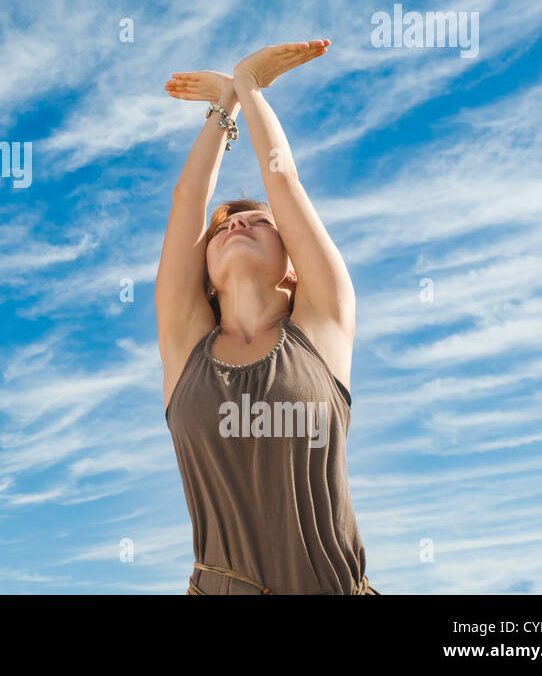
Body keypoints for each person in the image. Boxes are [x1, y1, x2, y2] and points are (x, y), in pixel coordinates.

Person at [156, 39, 378, 595]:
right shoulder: (186, 346)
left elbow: (282, 178)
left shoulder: (322, 327)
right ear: (204, 274)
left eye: (256, 222)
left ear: (294, 266)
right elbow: (188, 201)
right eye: (223, 227)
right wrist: (220, 108)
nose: (234, 225)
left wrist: (248, 86)